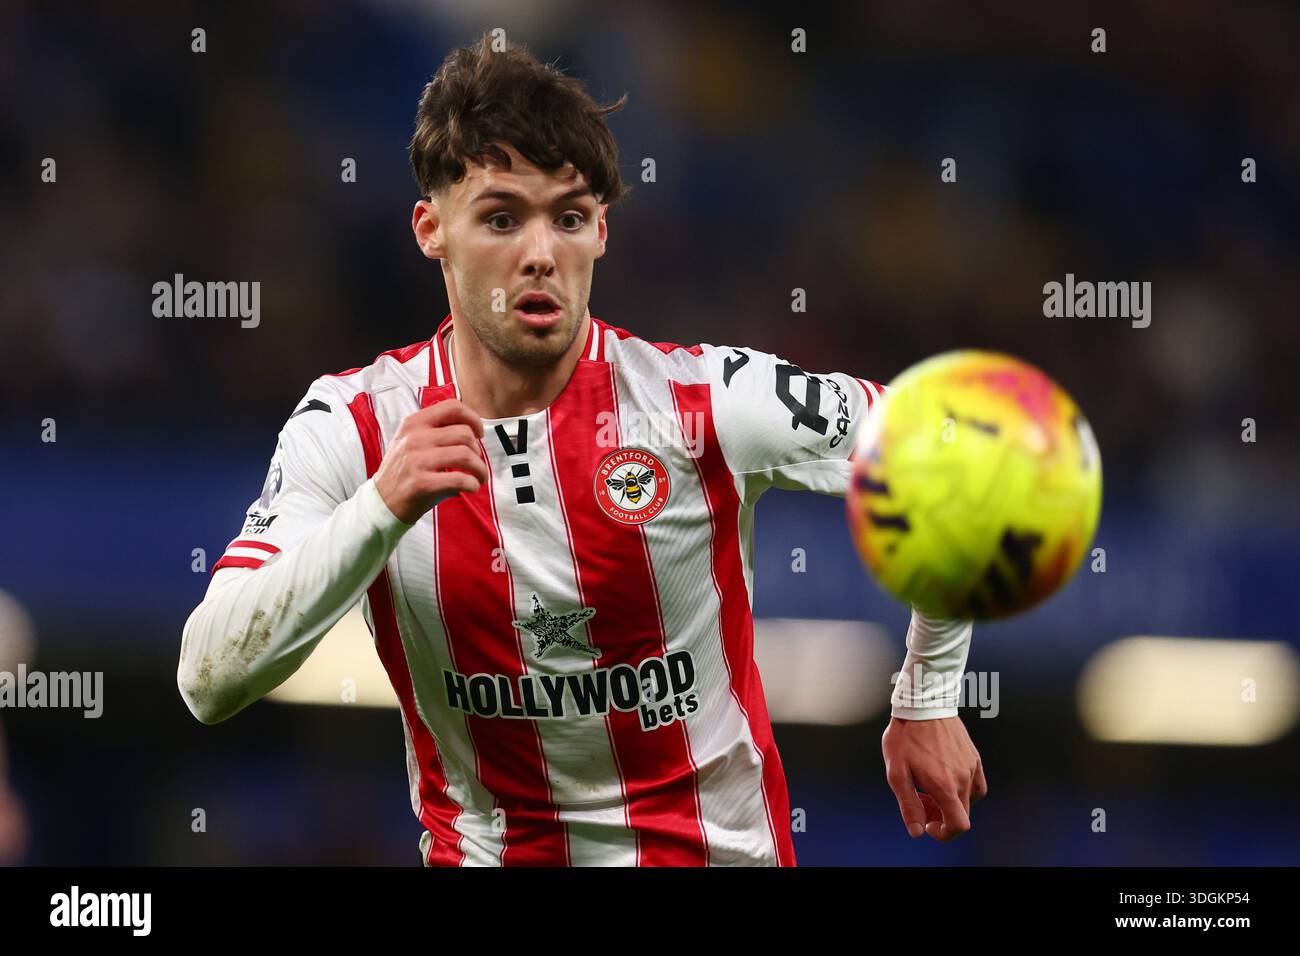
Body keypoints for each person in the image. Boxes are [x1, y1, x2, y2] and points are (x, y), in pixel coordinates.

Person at [178, 32, 985, 866]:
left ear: (601, 231)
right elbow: (208, 680)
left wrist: (926, 695)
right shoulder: (353, 429)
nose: (539, 255)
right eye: (499, 217)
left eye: (568, 218)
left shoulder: (704, 402)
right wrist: (379, 509)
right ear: (431, 230)